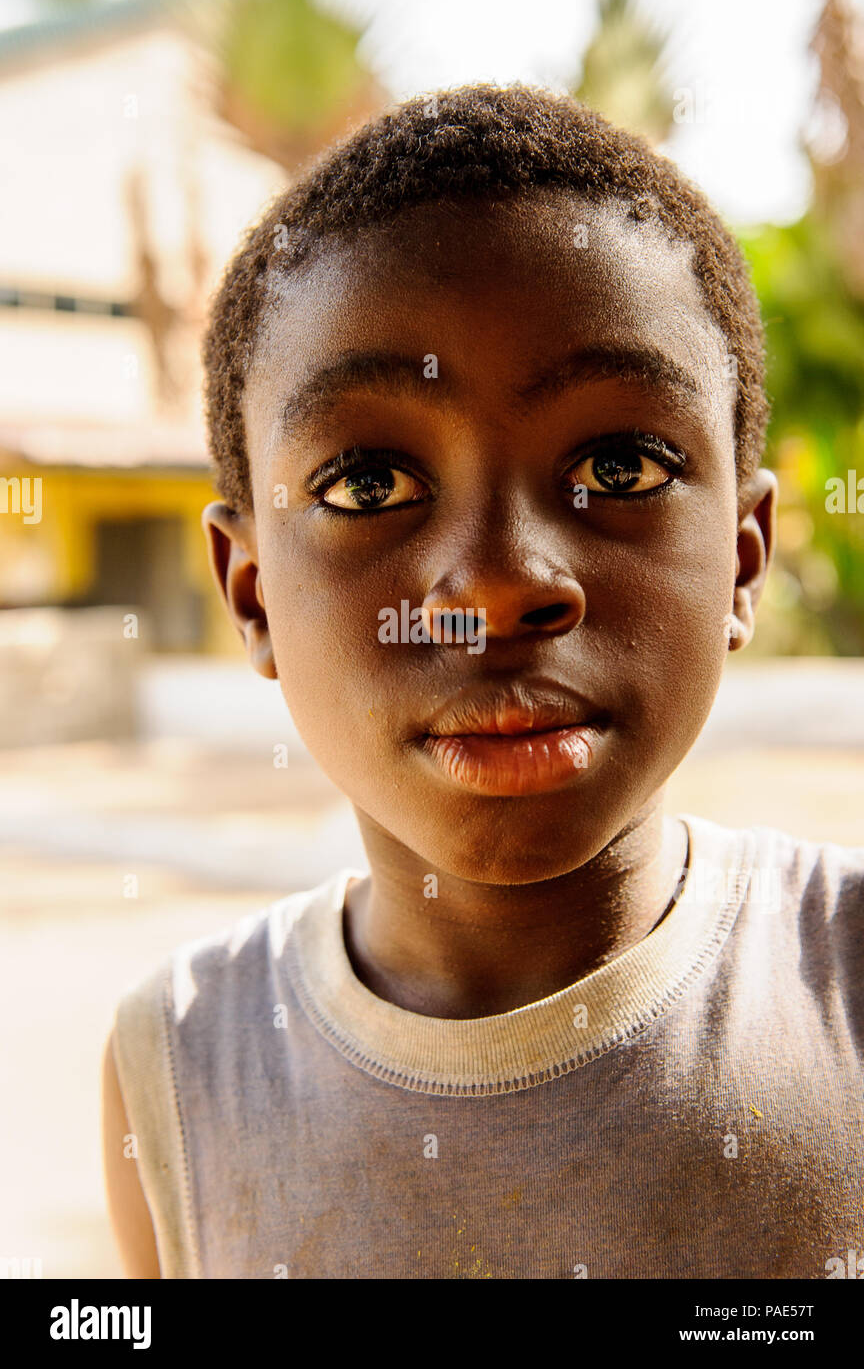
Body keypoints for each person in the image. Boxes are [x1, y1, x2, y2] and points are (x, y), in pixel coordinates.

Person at [102, 83, 863, 1279]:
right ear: (251, 592)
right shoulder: (182, 1066)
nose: (500, 586)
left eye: (621, 464)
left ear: (743, 559)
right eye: (367, 484)